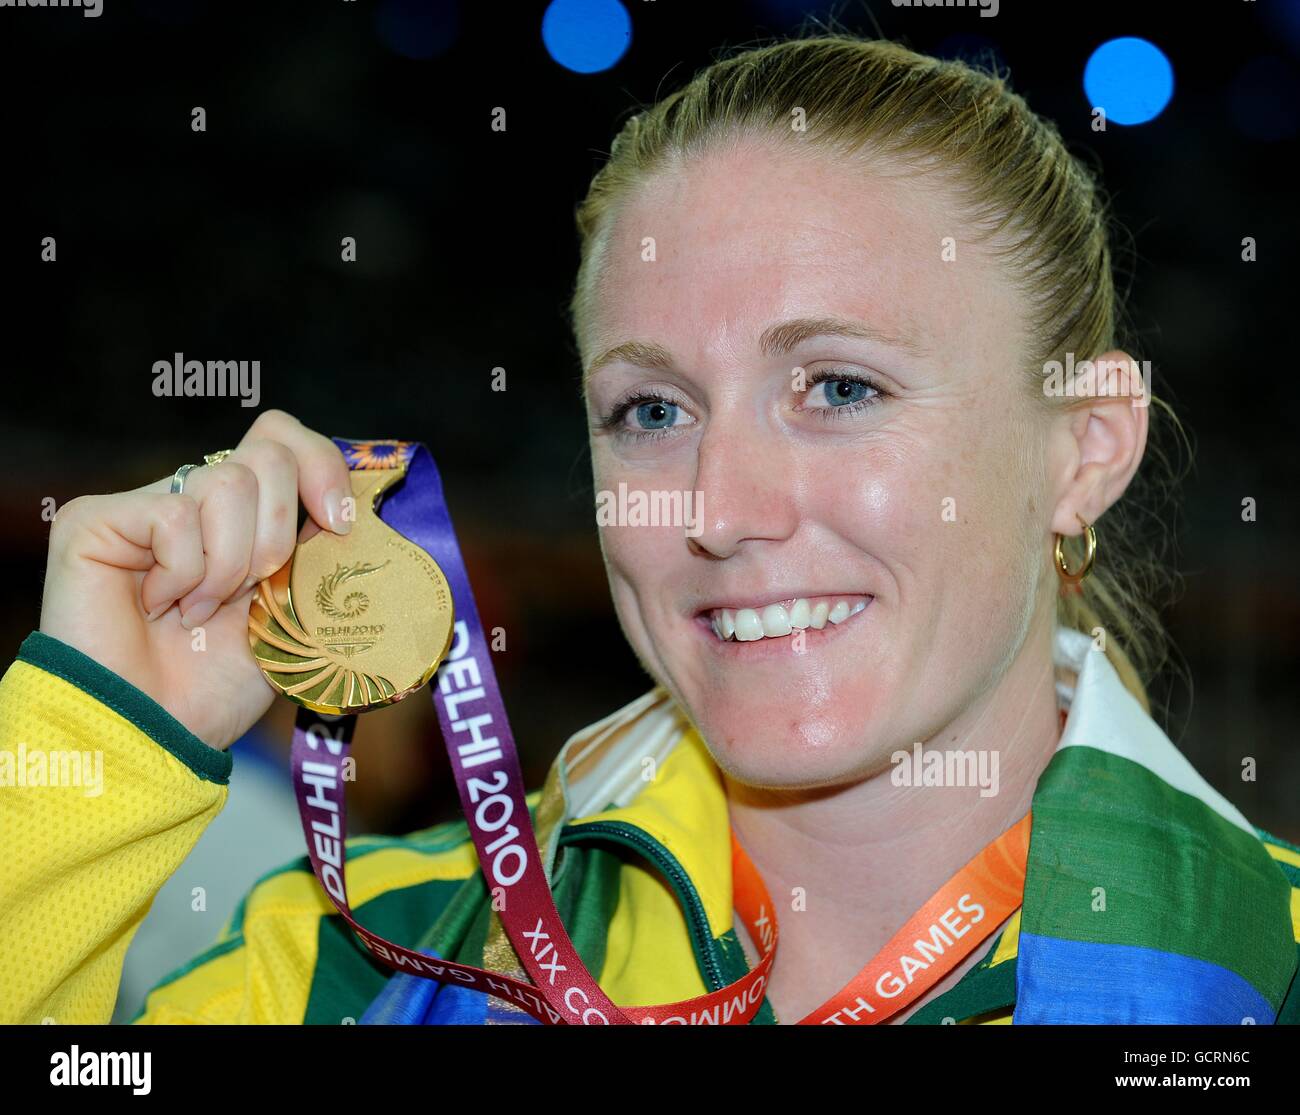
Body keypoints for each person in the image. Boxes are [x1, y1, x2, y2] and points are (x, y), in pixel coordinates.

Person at [2, 33, 1296, 1026]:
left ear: (1087, 445)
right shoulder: (373, 959)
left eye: (840, 389)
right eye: (651, 408)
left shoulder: (1266, 964)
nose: (720, 510)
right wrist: (95, 737)